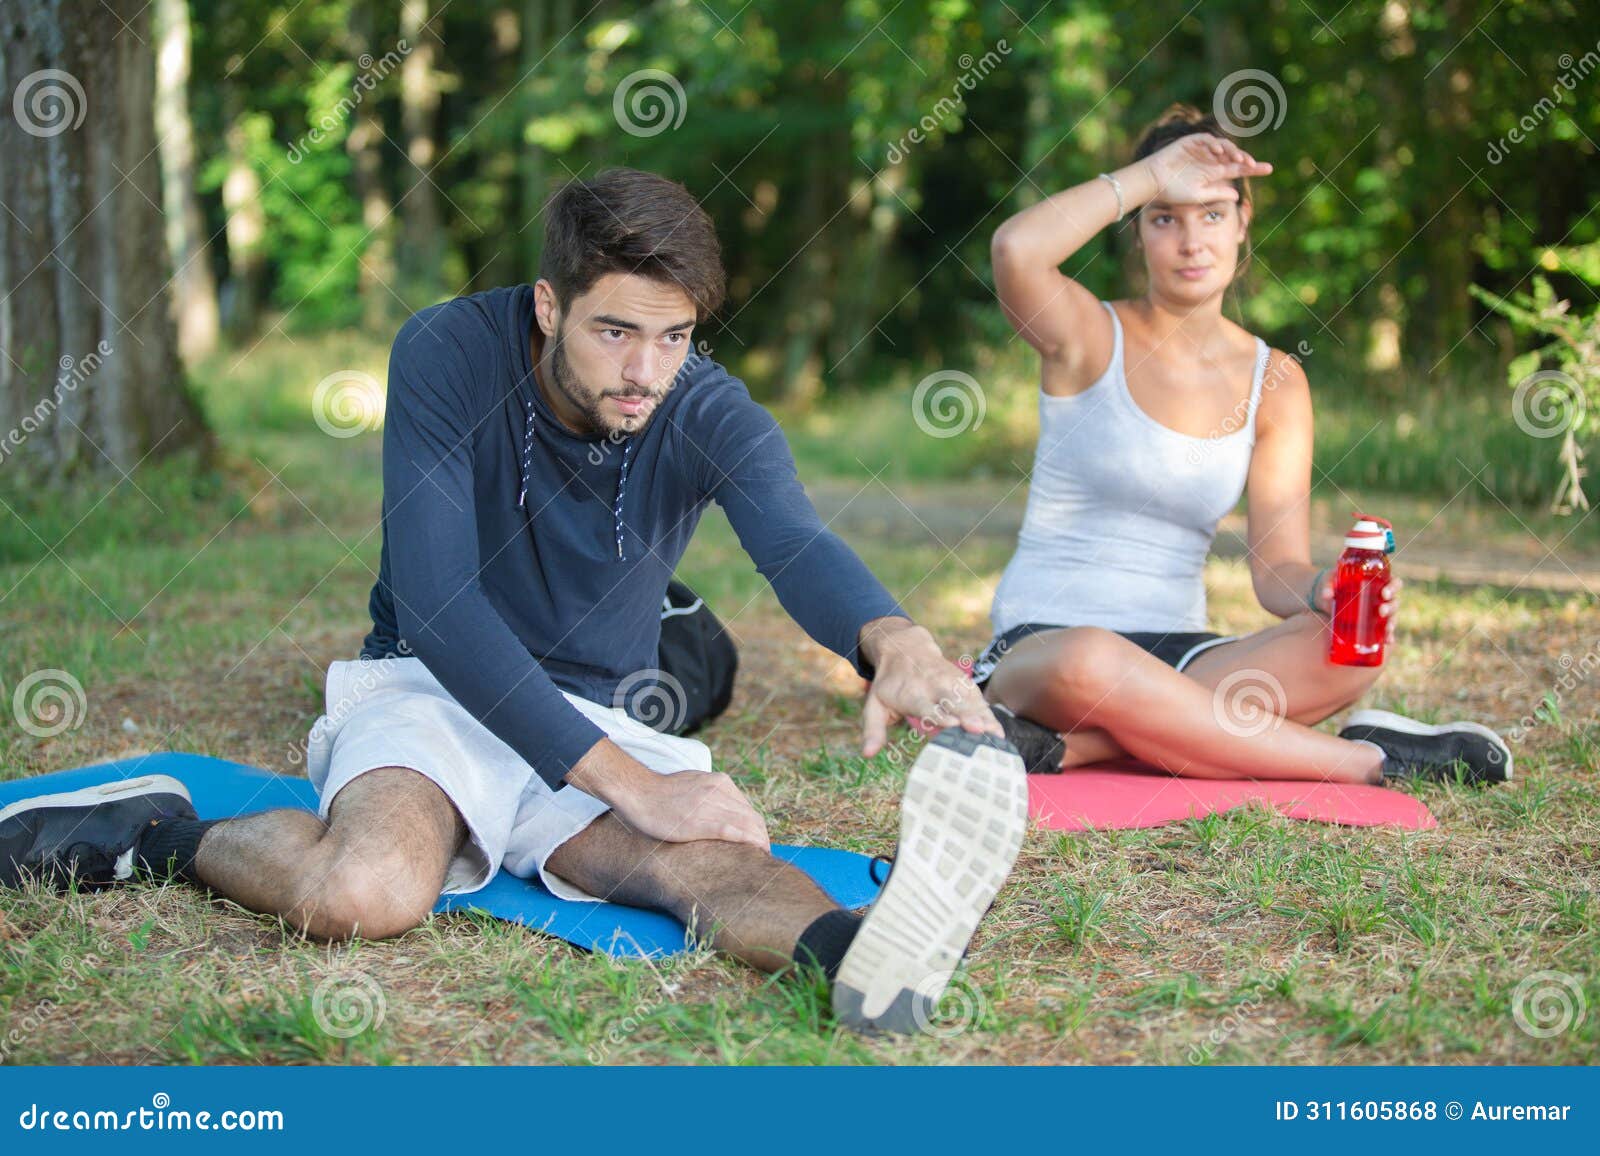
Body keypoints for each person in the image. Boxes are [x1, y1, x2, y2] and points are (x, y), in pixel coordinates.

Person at [0, 167, 1028, 1035]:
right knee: (363, 894)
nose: (644, 372)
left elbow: (793, 538)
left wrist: (890, 637)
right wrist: (634, 785)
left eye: (672, 338)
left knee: (706, 867)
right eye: (614, 332)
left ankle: (863, 953)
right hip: (433, 686)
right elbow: (438, 602)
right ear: (548, 305)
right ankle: (161, 833)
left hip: (599, 712)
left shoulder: (704, 406)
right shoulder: (447, 353)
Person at [977, 105, 1510, 787]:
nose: (1191, 241)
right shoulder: (1085, 335)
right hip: (1047, 646)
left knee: (1352, 652)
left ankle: (1068, 748)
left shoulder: (1277, 381)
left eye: (1212, 215)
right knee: (1093, 661)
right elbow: (1016, 250)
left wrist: (1325, 591)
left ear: (1243, 224)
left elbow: (1274, 570)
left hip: (1189, 660)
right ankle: (1371, 761)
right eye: (1165, 216)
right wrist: (1149, 173)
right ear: (1137, 232)